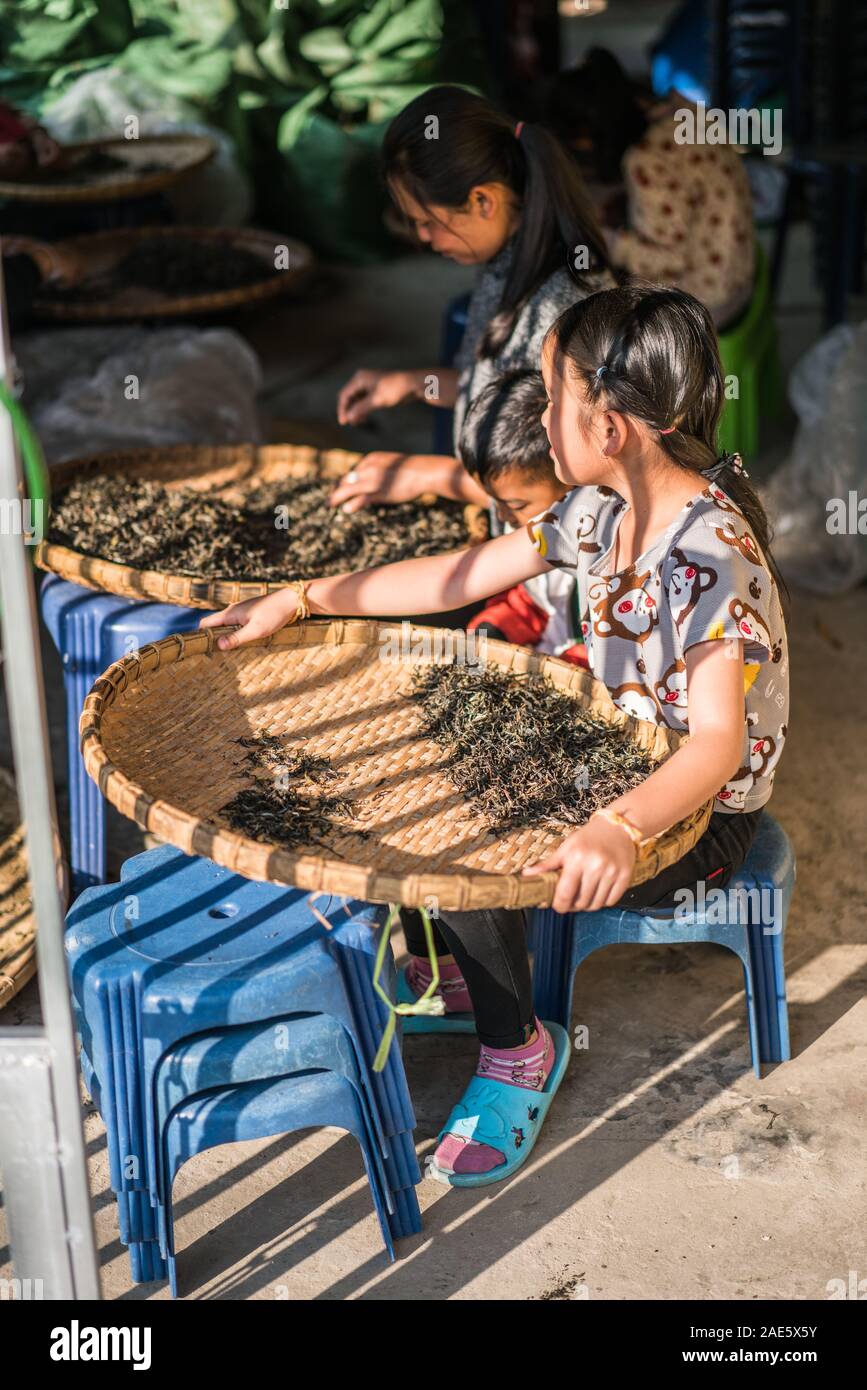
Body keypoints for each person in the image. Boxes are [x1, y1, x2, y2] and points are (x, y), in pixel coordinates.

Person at [200, 284, 789, 1187]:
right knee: (431, 755)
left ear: (611, 427)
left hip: (695, 813)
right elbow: (456, 576)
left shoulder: (710, 557)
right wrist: (304, 597)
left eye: (552, 396)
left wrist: (618, 828)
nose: (538, 416)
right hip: (618, 751)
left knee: (475, 841)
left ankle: (518, 1048)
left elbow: (711, 747)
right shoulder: (597, 509)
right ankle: (473, 964)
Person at [330, 83, 614, 517]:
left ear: (483, 201)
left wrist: (427, 475)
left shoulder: (563, 305)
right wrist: (410, 385)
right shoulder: (507, 262)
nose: (423, 238)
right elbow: (494, 394)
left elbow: (552, 491)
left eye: (428, 222)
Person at [547, 49, 756, 328]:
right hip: (741, 276)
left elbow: (666, 265)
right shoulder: (686, 111)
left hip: (710, 302)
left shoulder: (647, 160)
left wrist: (609, 242)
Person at [457, 368, 587, 664]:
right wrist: (497, 627)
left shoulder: (601, 559)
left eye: (516, 506)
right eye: (495, 501)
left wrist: (551, 672)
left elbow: (607, 656)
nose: (503, 516)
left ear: (574, 479)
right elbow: (531, 604)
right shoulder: (531, 525)